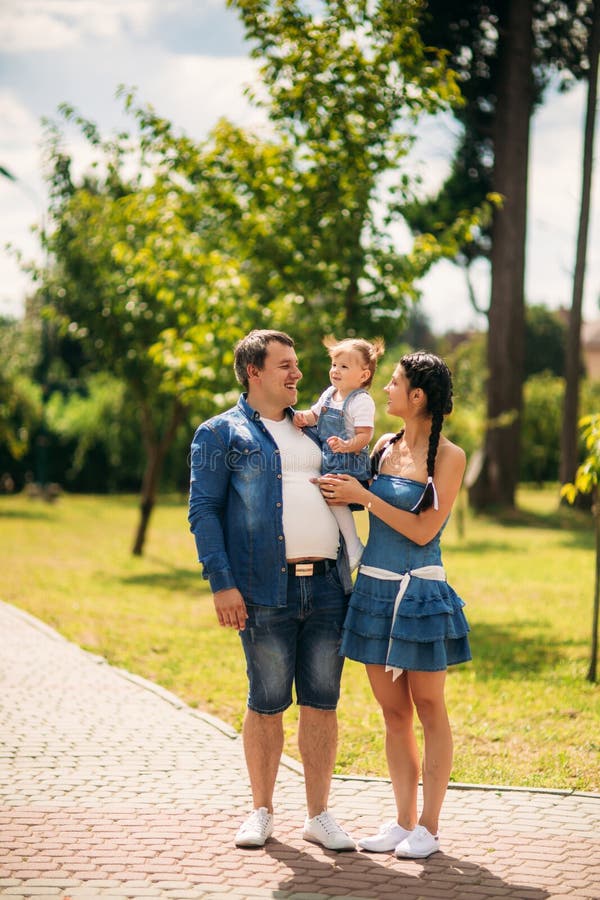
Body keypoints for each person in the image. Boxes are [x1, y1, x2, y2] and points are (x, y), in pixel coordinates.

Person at [188, 329, 356, 851]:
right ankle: (261, 810)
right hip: (264, 589)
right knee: (266, 701)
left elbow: (357, 479)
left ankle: (319, 815)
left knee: (323, 701)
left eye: (297, 365)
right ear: (253, 372)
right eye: (285, 365)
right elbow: (204, 512)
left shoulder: (319, 428)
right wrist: (222, 584)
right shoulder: (220, 433)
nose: (298, 374)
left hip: (328, 586)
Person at [317, 350, 471, 859]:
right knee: (394, 713)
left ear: (418, 396)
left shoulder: (450, 457)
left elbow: (424, 530)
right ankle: (403, 822)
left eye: (395, 382)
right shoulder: (382, 445)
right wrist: (339, 490)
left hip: (420, 594)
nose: (385, 389)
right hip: (374, 592)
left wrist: (365, 498)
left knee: (429, 707)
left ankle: (429, 827)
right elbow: (359, 494)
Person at [293, 336, 384, 571]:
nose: (335, 370)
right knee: (322, 496)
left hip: (349, 462)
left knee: (333, 498)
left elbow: (365, 435)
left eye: (344, 366)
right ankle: (340, 543)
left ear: (363, 375)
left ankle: (354, 545)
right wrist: (302, 417)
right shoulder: (329, 394)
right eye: (334, 364)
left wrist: (347, 445)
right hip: (329, 459)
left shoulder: (361, 401)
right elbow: (315, 415)